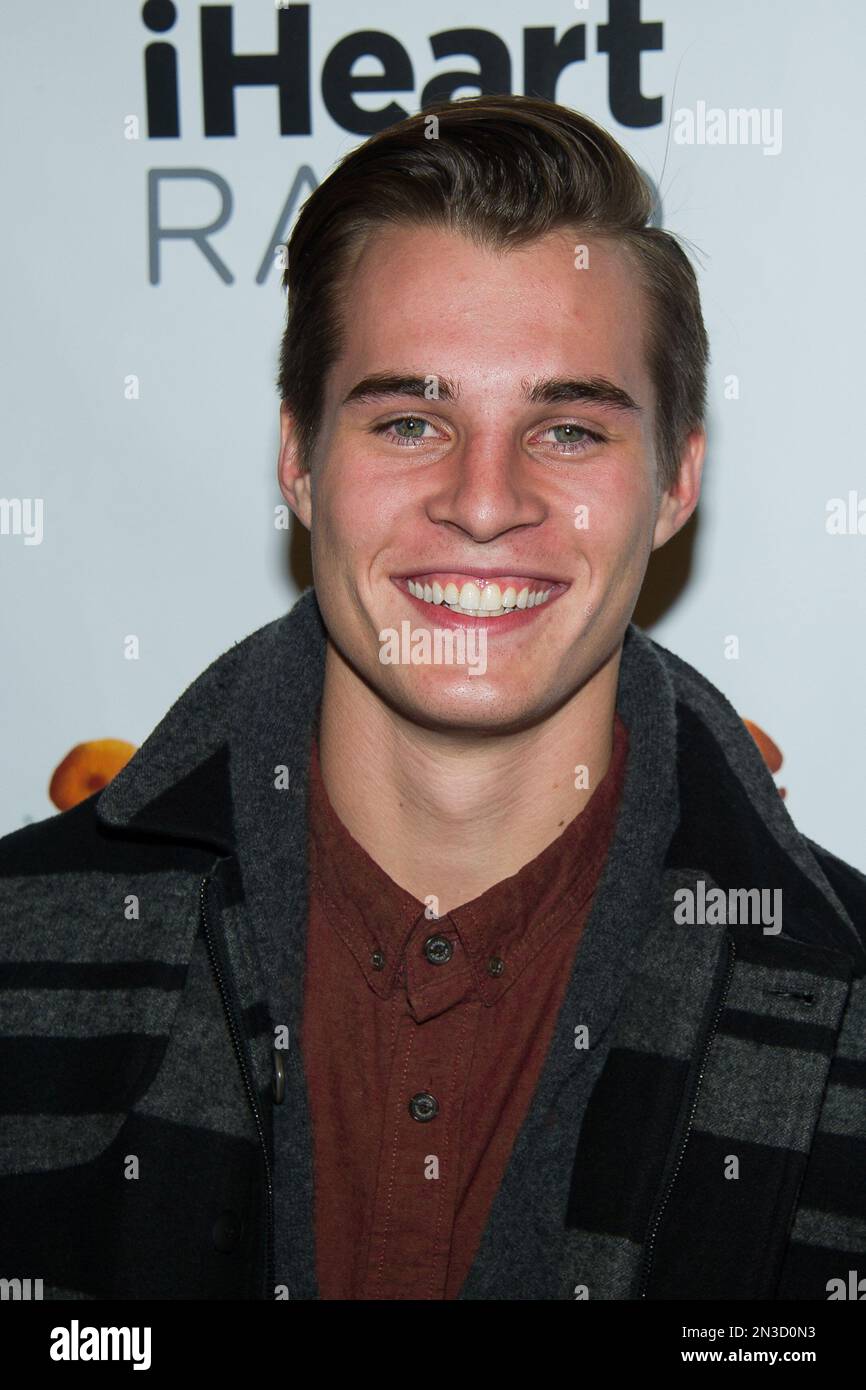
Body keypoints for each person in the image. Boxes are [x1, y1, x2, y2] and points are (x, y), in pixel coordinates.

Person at [1, 94, 864, 1302]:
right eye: (410, 418)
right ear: (298, 459)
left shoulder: (842, 1001)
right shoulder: (24, 953)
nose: (481, 499)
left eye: (566, 429)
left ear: (675, 484)